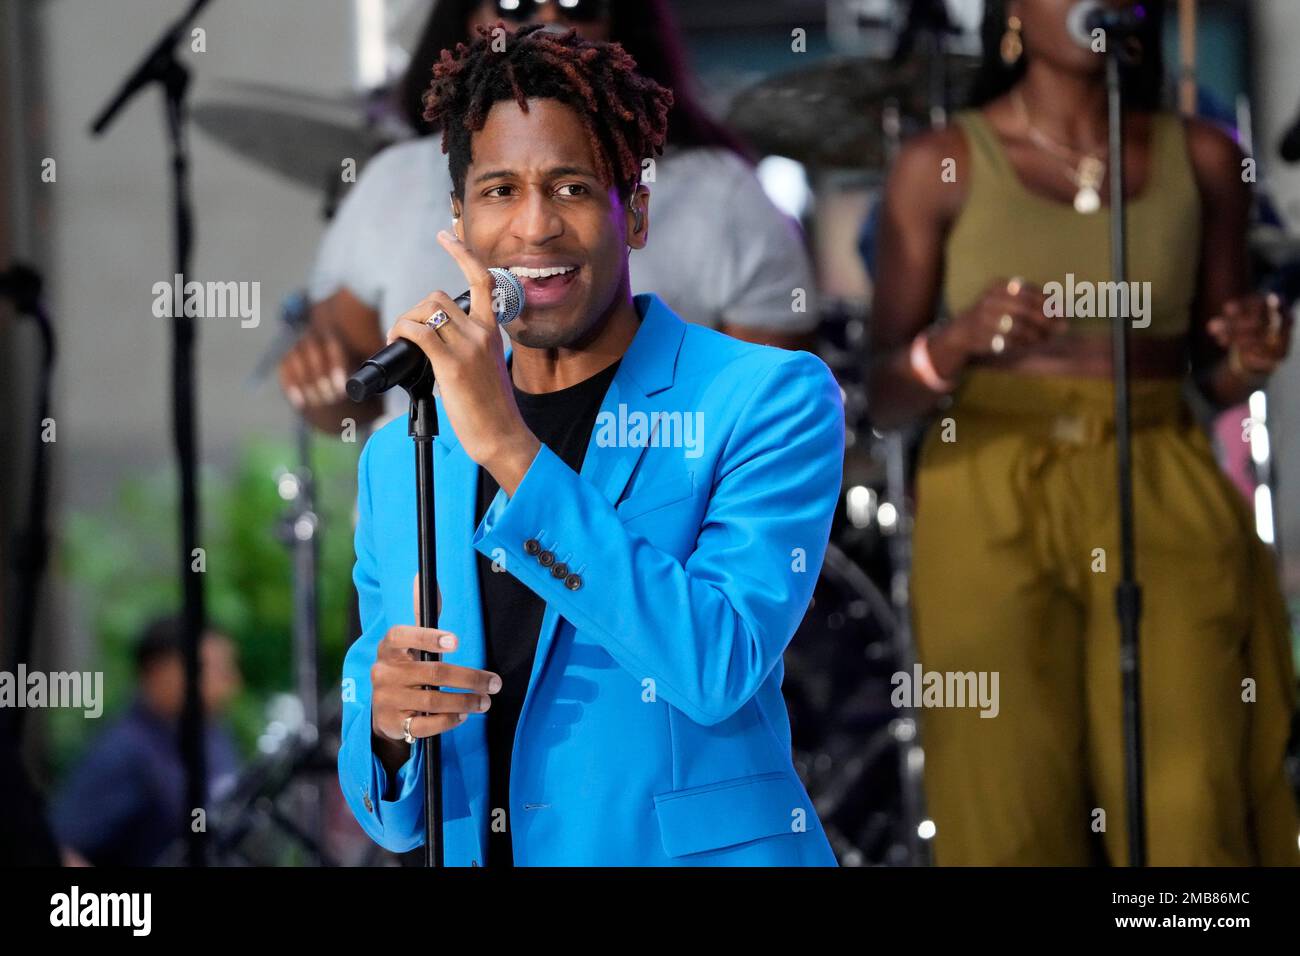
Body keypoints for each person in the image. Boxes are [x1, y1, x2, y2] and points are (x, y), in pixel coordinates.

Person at [337, 24, 843, 866]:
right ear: (459, 222)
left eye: (571, 187)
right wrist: (386, 728)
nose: (534, 226)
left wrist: (509, 447)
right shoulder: (403, 461)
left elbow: (716, 665)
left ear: (633, 211)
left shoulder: (763, 400)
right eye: (499, 191)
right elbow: (395, 817)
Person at [867, 0, 1298, 865]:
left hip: (1157, 469)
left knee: (1192, 796)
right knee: (1007, 797)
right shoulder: (940, 163)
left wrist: (1246, 364)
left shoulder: (1207, 157)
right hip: (986, 481)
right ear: (1015, 8)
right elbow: (881, 396)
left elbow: (1210, 374)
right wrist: (952, 343)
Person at [279, 0, 818, 434]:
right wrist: (325, 387)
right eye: (516, 3)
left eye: (572, 188)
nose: (547, 20)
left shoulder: (723, 195)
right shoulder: (391, 182)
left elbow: (759, 425)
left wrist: (504, 440)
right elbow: (347, 387)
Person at [50, 617, 243, 866]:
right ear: (159, 670)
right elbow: (63, 847)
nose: (231, 684)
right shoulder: (123, 751)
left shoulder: (213, 734)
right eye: (215, 669)